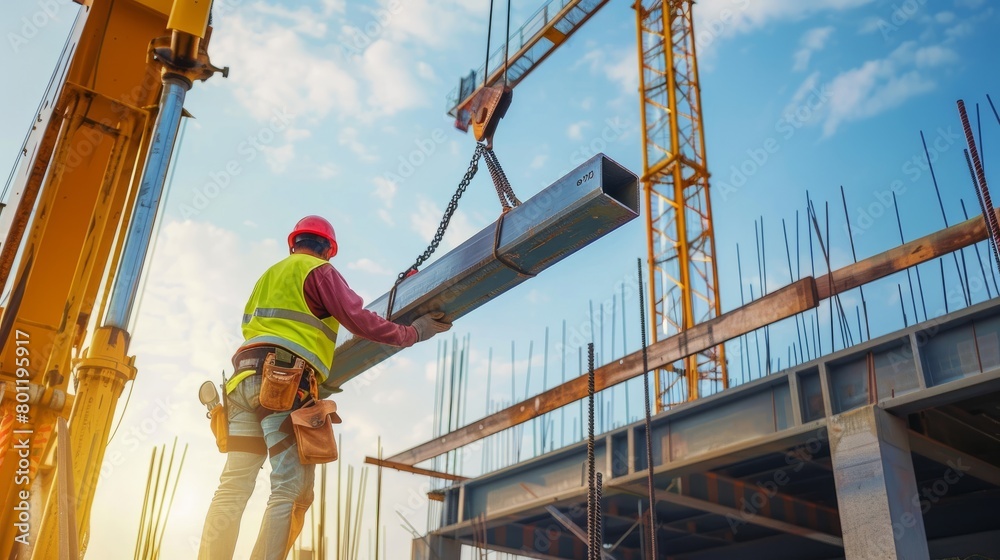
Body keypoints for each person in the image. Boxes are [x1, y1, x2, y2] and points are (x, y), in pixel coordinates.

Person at [198, 215, 451, 559]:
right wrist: (413, 333)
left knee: (233, 487)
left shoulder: (268, 276)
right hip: (283, 383)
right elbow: (359, 319)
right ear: (328, 249)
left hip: (240, 384)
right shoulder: (320, 271)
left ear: (294, 243)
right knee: (289, 488)